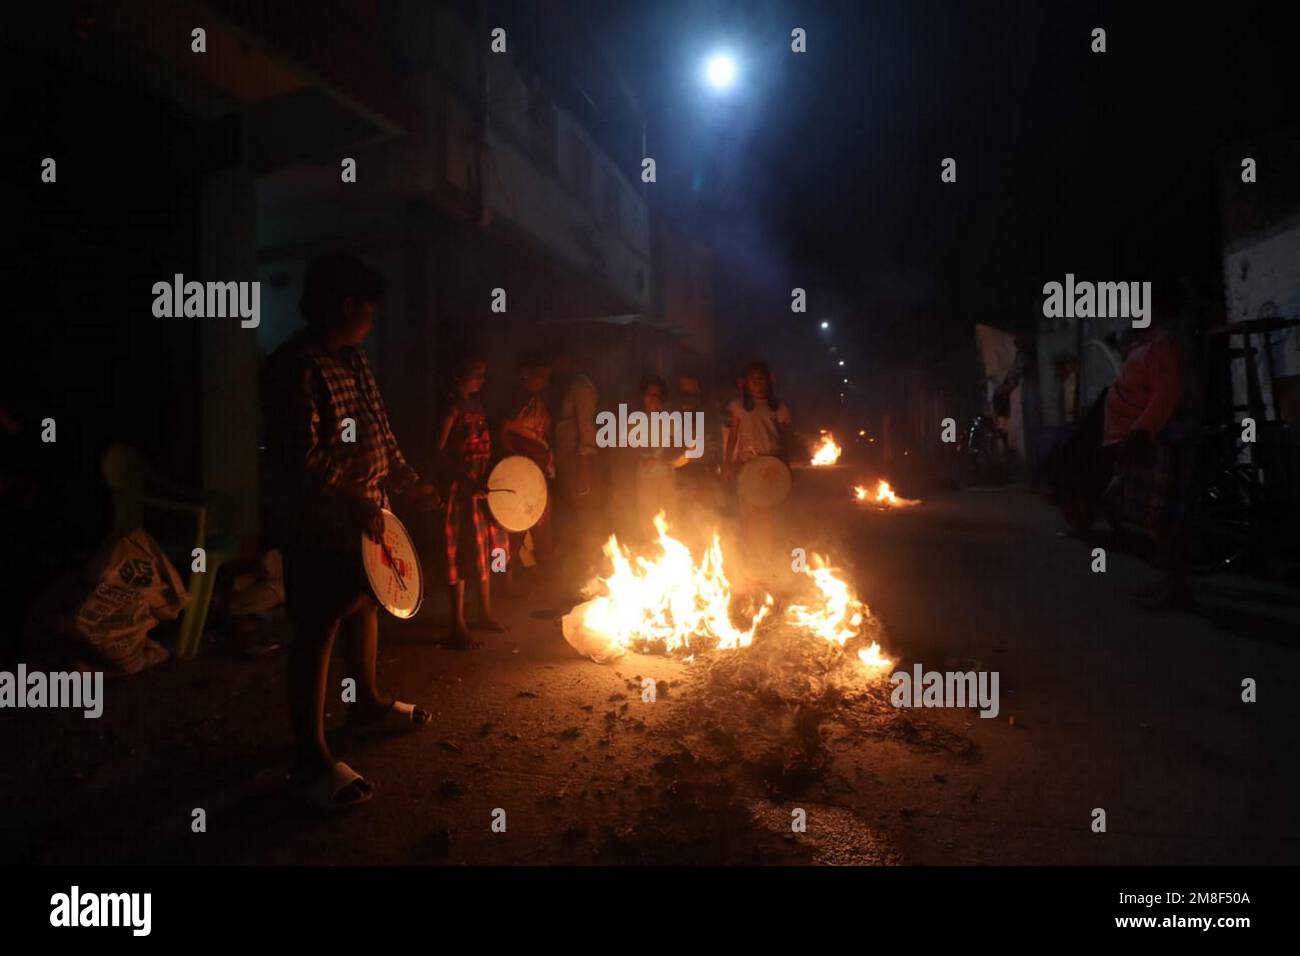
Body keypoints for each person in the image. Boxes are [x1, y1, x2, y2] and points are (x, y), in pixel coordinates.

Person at [261, 250, 441, 811]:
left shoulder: (356, 361)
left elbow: (382, 439)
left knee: (364, 603)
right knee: (318, 626)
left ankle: (366, 705)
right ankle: (310, 757)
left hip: (369, 515)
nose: (372, 320)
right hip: (319, 522)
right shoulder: (296, 367)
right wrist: (357, 497)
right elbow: (303, 457)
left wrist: (411, 486)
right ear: (345, 305)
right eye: (367, 309)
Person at [1103, 285, 1197, 610]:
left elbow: (1166, 394)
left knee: (1161, 518)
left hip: (1156, 439)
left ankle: (1176, 588)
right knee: (1146, 515)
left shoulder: (1164, 343)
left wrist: (1142, 431)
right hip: (1139, 438)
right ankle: (1171, 583)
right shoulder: (1147, 342)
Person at [437, 355, 508, 648]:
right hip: (461, 491)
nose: (481, 381)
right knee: (461, 552)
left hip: (482, 487)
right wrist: (466, 482)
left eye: (483, 375)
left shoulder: (478, 407)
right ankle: (458, 623)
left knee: (486, 549)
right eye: (476, 375)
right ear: (458, 375)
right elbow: (437, 453)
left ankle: (485, 613)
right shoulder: (451, 411)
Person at [497, 350, 554, 584]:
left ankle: (541, 575)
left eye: (545, 376)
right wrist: (514, 462)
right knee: (514, 527)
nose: (542, 380)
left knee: (539, 522)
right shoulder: (516, 399)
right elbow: (503, 430)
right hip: (521, 473)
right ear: (525, 373)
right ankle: (503, 577)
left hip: (538, 471)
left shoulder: (538, 401)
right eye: (538, 375)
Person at [550, 343, 599, 601]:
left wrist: (583, 471)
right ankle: (575, 581)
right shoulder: (569, 386)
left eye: (559, 359)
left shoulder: (581, 387)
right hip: (566, 462)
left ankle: (583, 580)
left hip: (576, 463)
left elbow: (586, 431)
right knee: (572, 519)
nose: (556, 365)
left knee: (580, 520)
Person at [724, 360, 792, 476]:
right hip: (748, 463)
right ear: (746, 382)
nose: (757, 381)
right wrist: (727, 464)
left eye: (760, 378)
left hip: (774, 462)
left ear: (768, 381)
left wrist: (786, 465)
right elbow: (732, 437)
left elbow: (784, 439)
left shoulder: (779, 408)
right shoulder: (738, 407)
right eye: (753, 378)